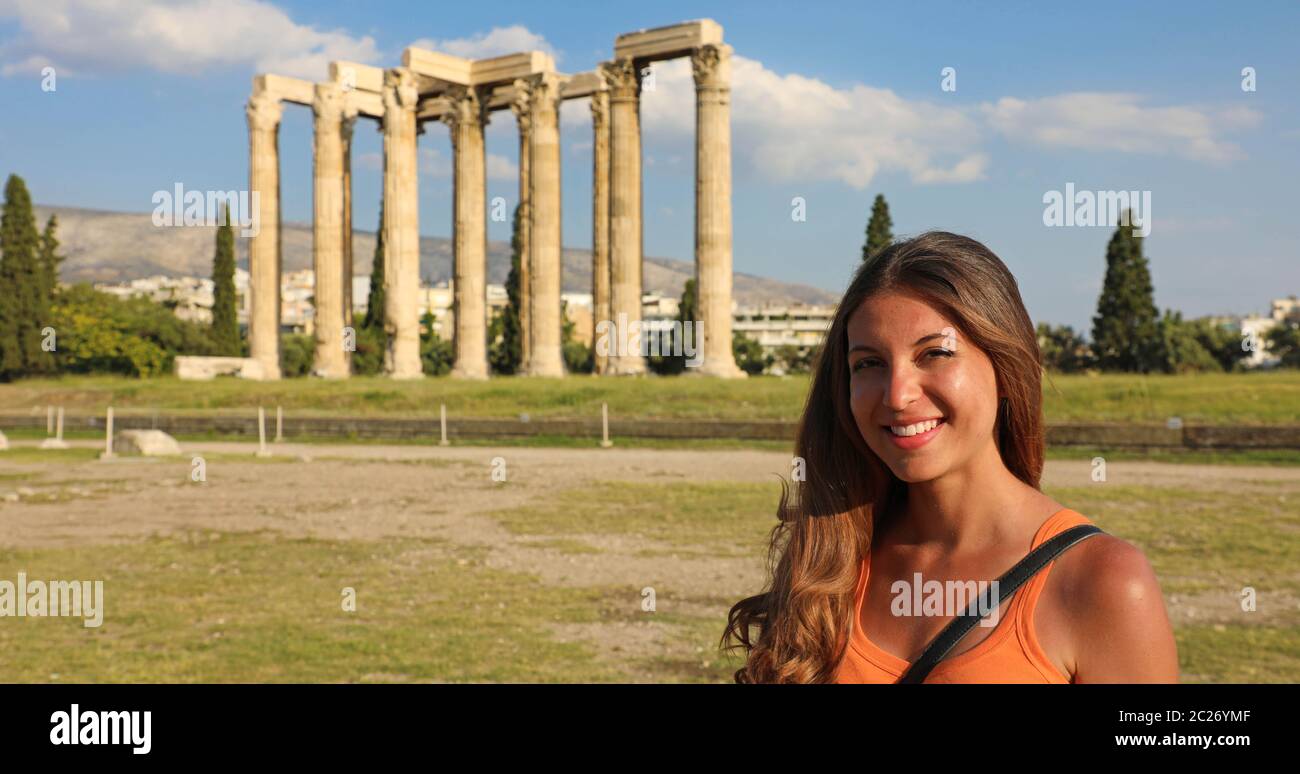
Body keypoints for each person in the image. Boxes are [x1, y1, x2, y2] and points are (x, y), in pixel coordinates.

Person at [722, 232, 1178, 683]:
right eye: (869, 363)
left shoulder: (1102, 581)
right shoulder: (826, 560)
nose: (897, 396)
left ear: (1006, 367)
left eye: (935, 354)